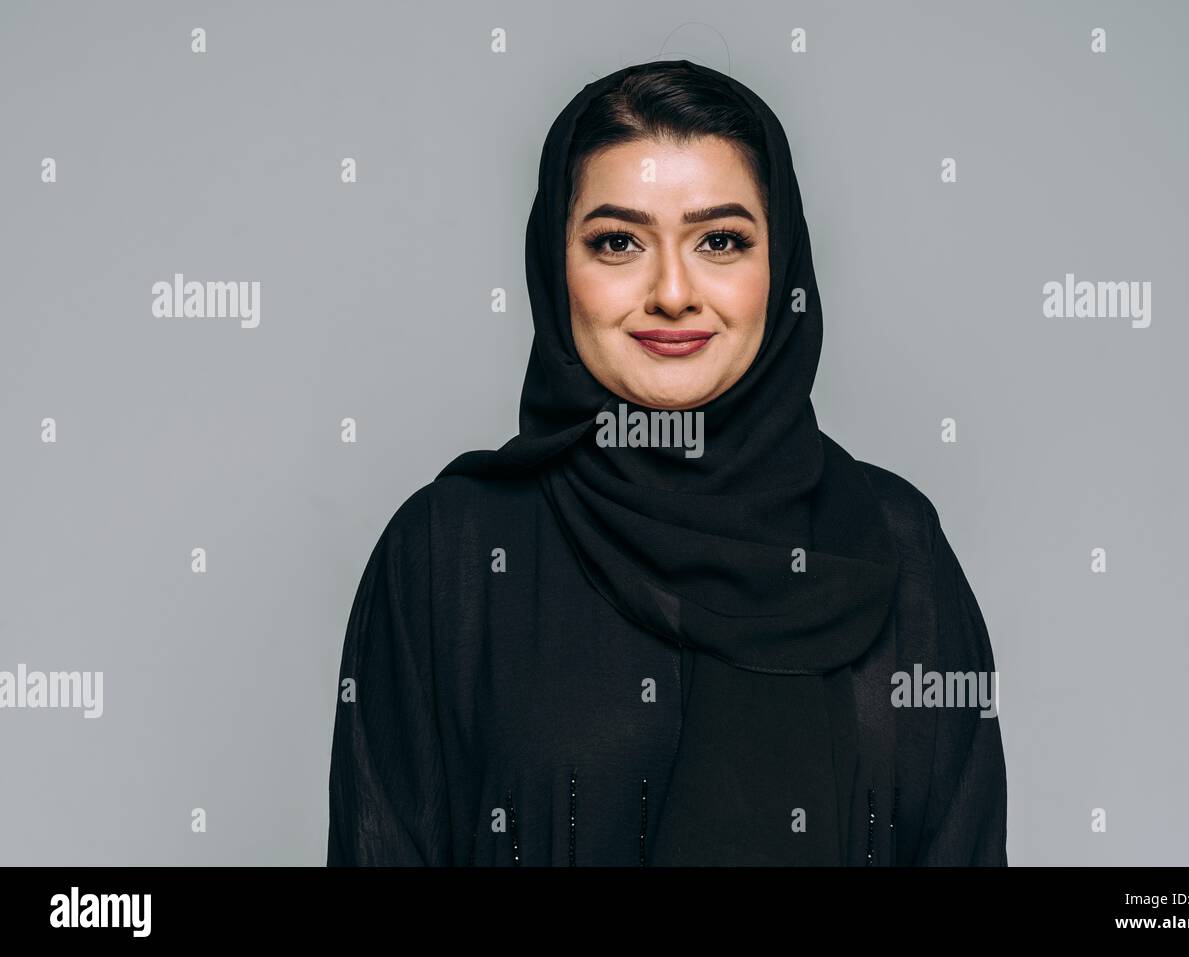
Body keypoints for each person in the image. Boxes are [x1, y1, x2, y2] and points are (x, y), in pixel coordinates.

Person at [326, 58, 1007, 866]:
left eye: (720, 240)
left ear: (779, 266)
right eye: (618, 242)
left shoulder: (896, 546)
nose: (674, 291)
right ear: (556, 268)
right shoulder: (453, 554)